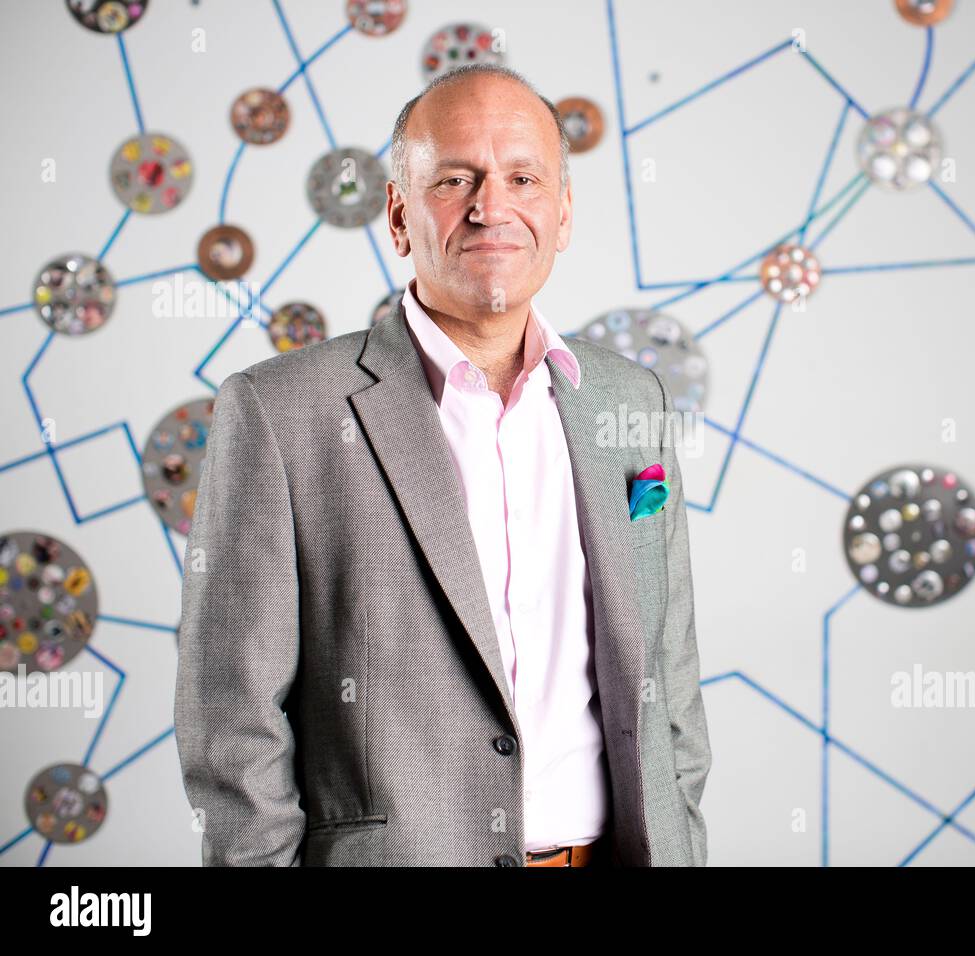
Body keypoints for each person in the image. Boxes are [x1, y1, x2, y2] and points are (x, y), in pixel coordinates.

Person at [173, 63, 711, 867]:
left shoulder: (627, 403)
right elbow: (233, 720)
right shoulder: (282, 413)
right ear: (397, 216)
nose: (491, 206)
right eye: (455, 179)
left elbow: (669, 675)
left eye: (523, 178)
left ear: (561, 215)